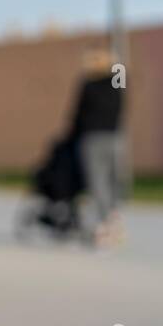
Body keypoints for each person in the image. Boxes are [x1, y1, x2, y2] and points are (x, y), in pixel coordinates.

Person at [67, 46, 126, 247]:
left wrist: (71, 136)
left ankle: (105, 225)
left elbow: (78, 114)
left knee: (98, 182)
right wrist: (116, 62)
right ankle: (113, 219)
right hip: (115, 137)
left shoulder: (88, 84)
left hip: (92, 138)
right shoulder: (116, 84)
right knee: (111, 181)